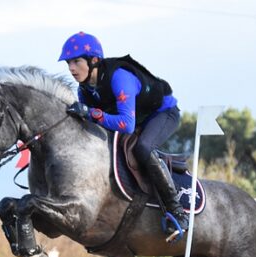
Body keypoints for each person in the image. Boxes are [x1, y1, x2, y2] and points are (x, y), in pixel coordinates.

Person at [59, 31, 188, 239]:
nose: (71, 69)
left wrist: (91, 113)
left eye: (76, 61)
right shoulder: (84, 89)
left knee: (143, 148)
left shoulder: (119, 77)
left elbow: (126, 125)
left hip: (163, 114)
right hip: (138, 117)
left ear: (93, 60)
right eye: (68, 64)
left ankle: (177, 212)